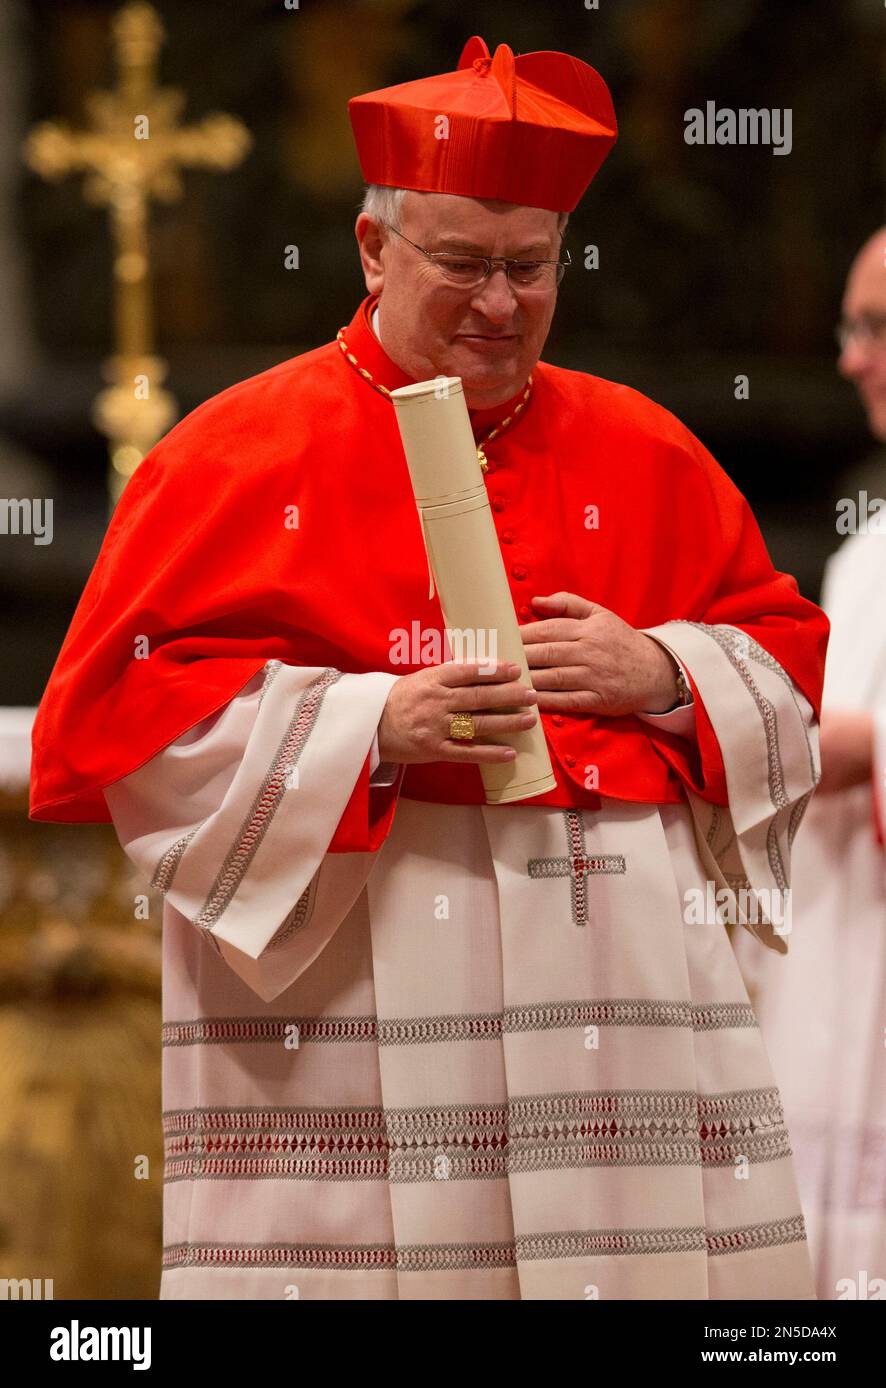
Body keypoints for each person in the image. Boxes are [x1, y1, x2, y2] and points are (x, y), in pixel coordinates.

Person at [29, 35, 828, 1300]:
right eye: (460, 264)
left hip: (611, 1000)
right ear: (369, 248)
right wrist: (364, 724)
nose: (500, 303)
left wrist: (662, 672)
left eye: (531, 268)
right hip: (353, 986)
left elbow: (784, 669)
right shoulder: (234, 455)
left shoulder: (649, 448)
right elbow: (117, 716)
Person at [735, 228, 886, 1299]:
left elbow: (848, 740)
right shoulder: (867, 548)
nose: (848, 358)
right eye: (849, 326)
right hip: (836, 954)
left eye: (876, 327)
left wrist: (727, 724)